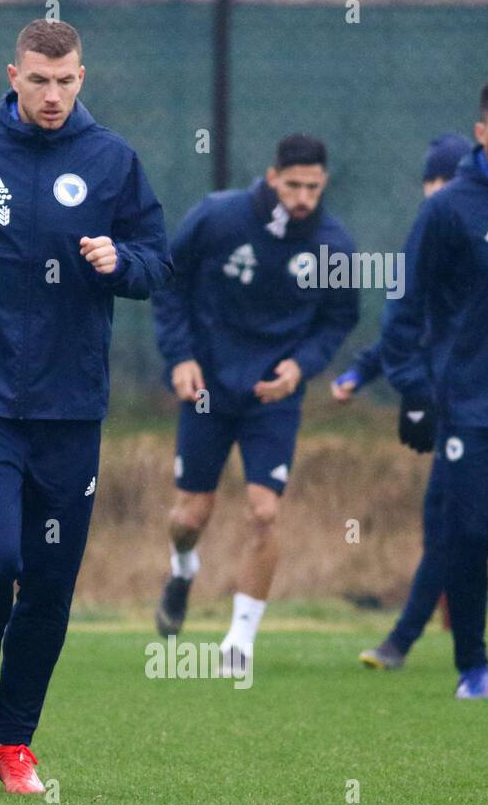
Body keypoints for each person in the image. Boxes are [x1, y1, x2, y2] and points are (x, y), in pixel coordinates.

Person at [0, 20, 171, 793]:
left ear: (84, 76)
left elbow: (158, 261)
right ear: (13, 75)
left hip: (71, 405)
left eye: (68, 81)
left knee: (48, 582)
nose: (54, 96)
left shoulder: (113, 161)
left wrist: (123, 262)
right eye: (40, 81)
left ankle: (16, 743)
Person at [334, 133, 488, 671]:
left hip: (484, 405)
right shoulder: (440, 234)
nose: (440, 189)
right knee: (472, 523)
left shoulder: (475, 243)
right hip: (451, 405)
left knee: (459, 524)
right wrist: (366, 372)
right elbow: (407, 325)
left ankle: (408, 641)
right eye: (434, 180)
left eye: (449, 180)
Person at [152, 135, 358, 672]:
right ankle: (182, 567)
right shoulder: (219, 218)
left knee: (265, 513)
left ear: (324, 184)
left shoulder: (334, 246)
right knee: (191, 515)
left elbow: (339, 319)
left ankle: (238, 643)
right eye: (293, 185)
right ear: (271, 178)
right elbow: (168, 283)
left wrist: (301, 367)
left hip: (273, 397)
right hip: (207, 390)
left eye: (313, 187)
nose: (303, 197)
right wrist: (180, 357)